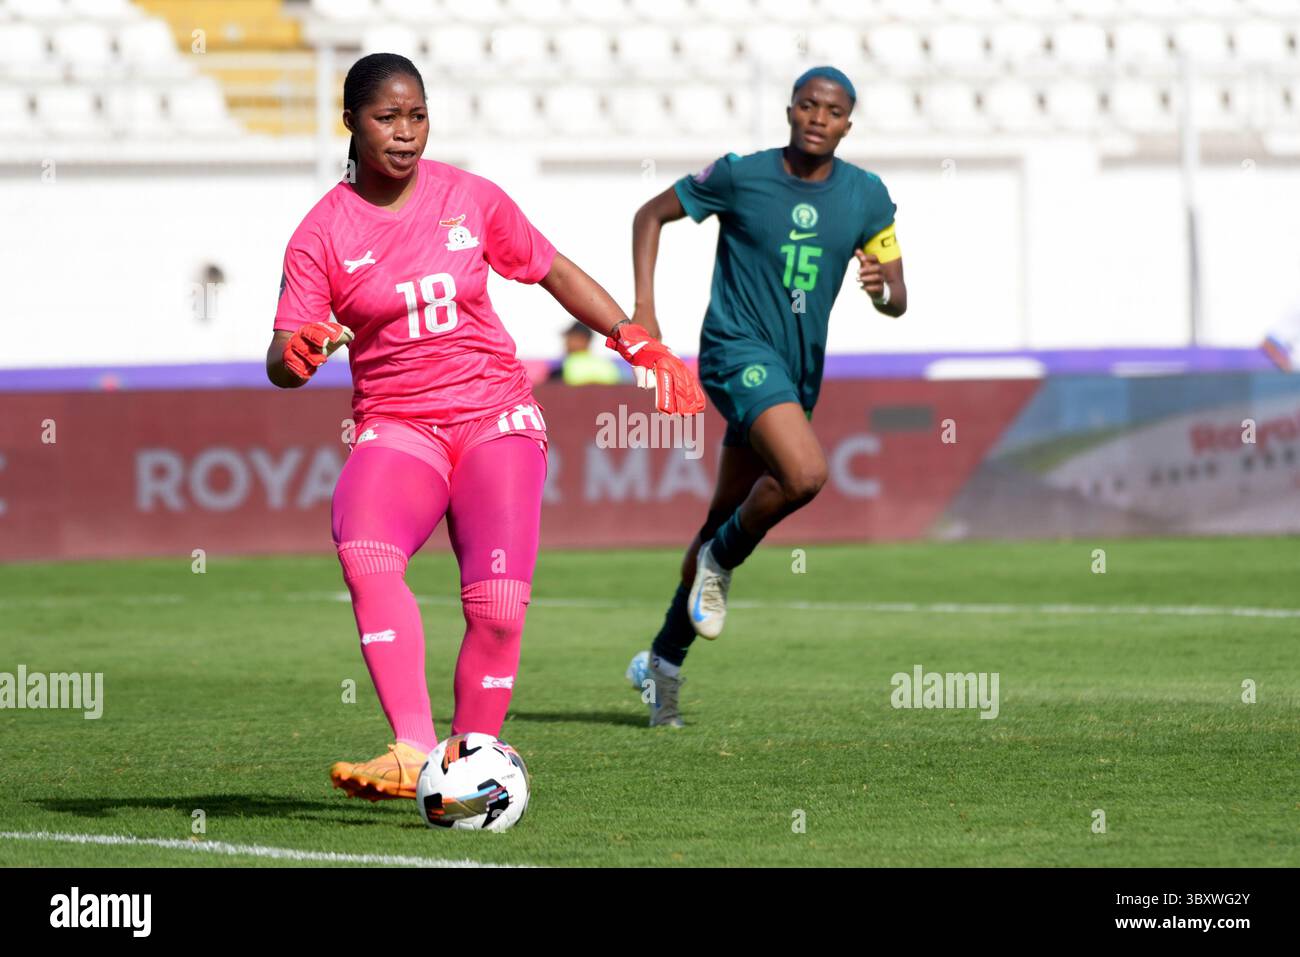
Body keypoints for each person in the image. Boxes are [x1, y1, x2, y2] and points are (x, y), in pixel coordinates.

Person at [266, 53, 703, 799]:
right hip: (399, 424)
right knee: (366, 550)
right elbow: (283, 353)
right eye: (386, 118)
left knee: (497, 611)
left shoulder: (469, 197)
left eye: (418, 116)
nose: (406, 134)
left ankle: (469, 770)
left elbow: (552, 268)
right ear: (350, 123)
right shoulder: (322, 234)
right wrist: (295, 355)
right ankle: (411, 748)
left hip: (495, 418)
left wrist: (635, 339)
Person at [626, 66, 908, 727]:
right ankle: (723, 561)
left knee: (720, 516)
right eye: (807, 104)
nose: (817, 116)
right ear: (789, 110)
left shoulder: (868, 197)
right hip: (734, 352)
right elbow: (651, 214)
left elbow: (899, 297)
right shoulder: (739, 175)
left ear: (847, 123)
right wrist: (645, 308)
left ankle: (661, 667)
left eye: (831, 110)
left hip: (796, 376)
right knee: (806, 473)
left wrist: (879, 290)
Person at [548, 320, 624, 384]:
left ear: (583, 339)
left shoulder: (568, 364)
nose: (566, 343)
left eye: (570, 338)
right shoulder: (607, 364)